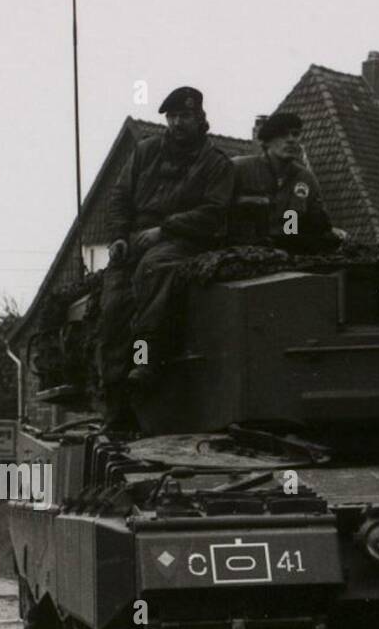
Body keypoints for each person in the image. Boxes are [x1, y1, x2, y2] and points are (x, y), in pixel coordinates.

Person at [97, 86, 235, 424]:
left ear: (200, 118)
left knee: (154, 271)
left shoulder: (215, 163)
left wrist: (167, 229)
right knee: (113, 305)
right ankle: (115, 399)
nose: (177, 123)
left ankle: (145, 361)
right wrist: (117, 236)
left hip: (183, 240)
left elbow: (215, 213)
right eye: (172, 117)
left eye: (185, 116)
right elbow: (119, 197)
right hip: (135, 239)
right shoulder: (145, 153)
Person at [227, 112, 344, 251]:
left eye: (295, 134)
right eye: (283, 135)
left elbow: (315, 223)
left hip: (289, 251)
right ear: (267, 141)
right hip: (241, 251)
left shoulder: (305, 179)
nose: (291, 140)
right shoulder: (238, 169)